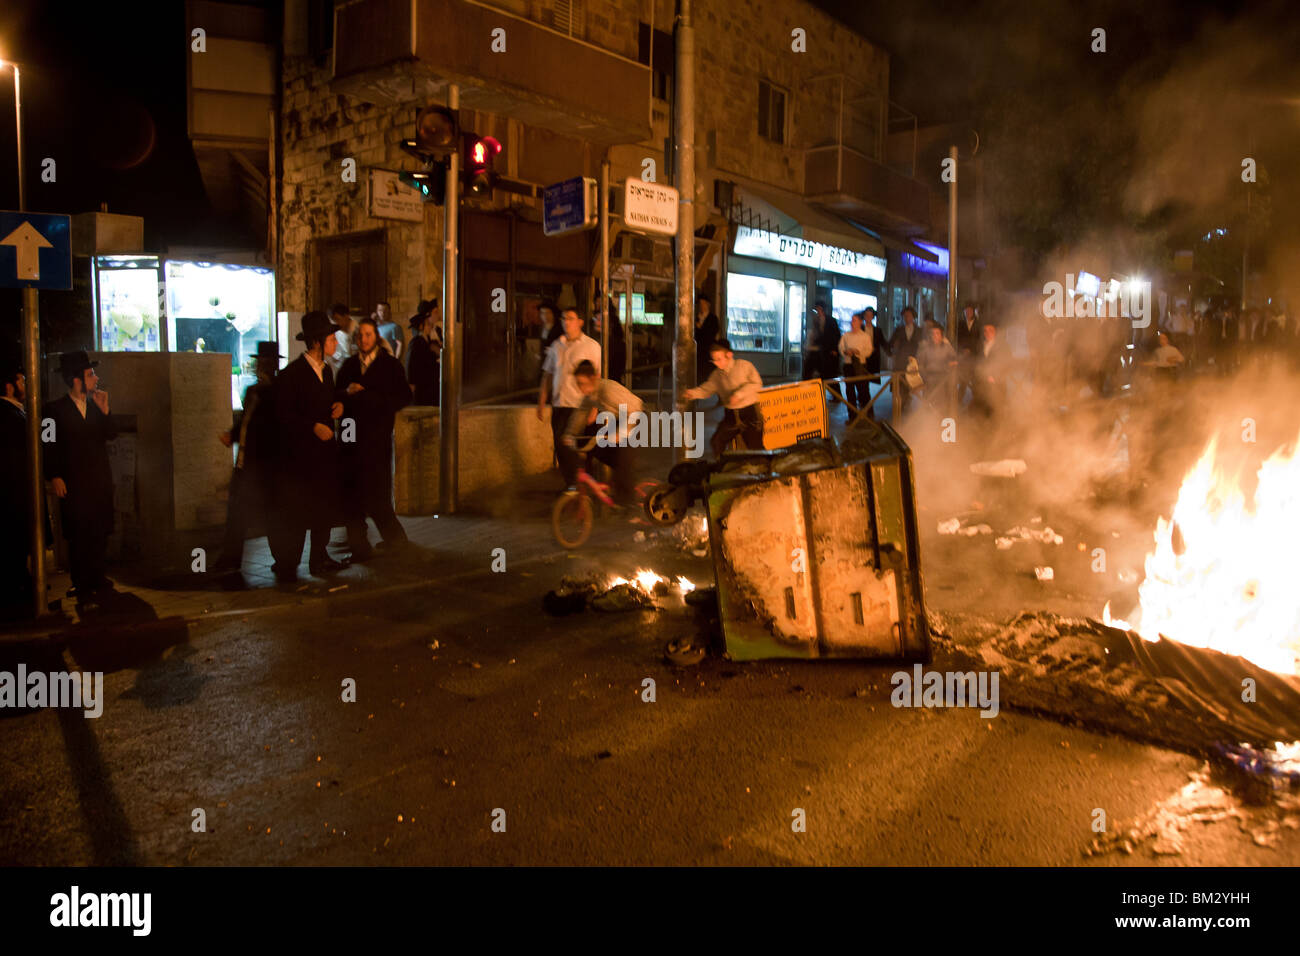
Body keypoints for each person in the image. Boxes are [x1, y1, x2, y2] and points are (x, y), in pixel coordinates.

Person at [271, 311, 346, 583]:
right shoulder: (292, 375)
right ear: (317, 342)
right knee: (299, 510)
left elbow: (329, 401)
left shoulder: (327, 372)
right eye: (331, 338)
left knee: (323, 508)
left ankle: (319, 557)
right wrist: (312, 426)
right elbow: (284, 415)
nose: (335, 343)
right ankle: (288, 561)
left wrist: (339, 406)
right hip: (301, 458)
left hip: (324, 457)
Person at [337, 316, 412, 560]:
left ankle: (396, 539)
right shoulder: (349, 366)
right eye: (360, 336)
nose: (364, 340)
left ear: (376, 337)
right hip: (351, 439)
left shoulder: (389, 365)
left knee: (376, 493)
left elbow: (402, 397)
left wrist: (372, 398)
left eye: (368, 335)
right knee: (352, 494)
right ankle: (359, 546)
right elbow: (337, 399)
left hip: (377, 438)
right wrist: (347, 394)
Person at [43, 351, 116, 601]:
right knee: (78, 533)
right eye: (90, 374)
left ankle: (98, 576)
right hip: (74, 482)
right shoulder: (52, 410)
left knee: (99, 530)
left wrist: (105, 411)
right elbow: (48, 444)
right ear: (76, 380)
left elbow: (110, 435)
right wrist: (54, 475)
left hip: (98, 480)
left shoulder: (96, 405)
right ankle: (80, 580)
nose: (95, 378)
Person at [216, 341, 281, 571]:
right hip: (245, 463)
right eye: (258, 362)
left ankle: (283, 559)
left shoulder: (276, 392)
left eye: (263, 363)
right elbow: (246, 422)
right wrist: (232, 435)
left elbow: (269, 429)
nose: (258, 366)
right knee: (237, 512)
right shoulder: (252, 391)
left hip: (263, 465)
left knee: (272, 515)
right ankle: (230, 559)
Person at [561, 360, 642, 505]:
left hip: (637, 421)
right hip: (619, 421)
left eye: (582, 384)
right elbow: (579, 415)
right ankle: (607, 485)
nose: (580, 388)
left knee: (622, 462)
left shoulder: (608, 391)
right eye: (577, 384)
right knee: (590, 444)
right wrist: (569, 434)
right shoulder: (590, 395)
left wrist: (621, 433)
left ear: (593, 379)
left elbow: (636, 409)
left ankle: (630, 507)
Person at [538, 309, 601, 488]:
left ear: (580, 322)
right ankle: (571, 486)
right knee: (561, 447)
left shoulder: (591, 346)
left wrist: (594, 408)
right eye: (564, 318)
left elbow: (598, 379)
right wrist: (541, 401)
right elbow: (548, 375)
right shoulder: (557, 344)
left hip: (580, 406)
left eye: (571, 319)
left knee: (579, 448)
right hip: (559, 404)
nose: (566, 322)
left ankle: (584, 486)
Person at [684, 339, 764, 457]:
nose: (716, 363)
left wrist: (739, 395)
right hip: (731, 416)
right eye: (714, 360)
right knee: (716, 441)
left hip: (749, 413)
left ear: (729, 355)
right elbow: (707, 389)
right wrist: (693, 393)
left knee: (755, 448)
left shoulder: (744, 366)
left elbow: (757, 384)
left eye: (719, 359)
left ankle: (762, 470)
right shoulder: (717, 375)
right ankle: (723, 467)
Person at [1, 350, 32, 612]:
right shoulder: (11, 417)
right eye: (22, 382)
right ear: (10, 387)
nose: (25, 386)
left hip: (15, 493)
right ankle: (15, 594)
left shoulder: (16, 414)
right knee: (14, 544)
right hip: (14, 493)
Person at [916, 324, 959, 413]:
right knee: (928, 404)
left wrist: (951, 364)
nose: (935, 336)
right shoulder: (925, 348)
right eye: (933, 334)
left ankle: (942, 421)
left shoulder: (947, 347)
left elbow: (954, 359)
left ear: (941, 335)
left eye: (937, 333)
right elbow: (920, 363)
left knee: (943, 405)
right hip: (929, 379)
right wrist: (924, 377)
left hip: (943, 380)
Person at [406, 299, 441, 405]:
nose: (430, 326)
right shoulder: (416, 342)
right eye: (427, 324)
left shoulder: (428, 341)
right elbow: (411, 366)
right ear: (422, 326)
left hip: (431, 385)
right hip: (423, 387)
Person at [971, 323, 1011, 416]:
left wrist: (996, 377)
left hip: (997, 384)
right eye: (985, 331)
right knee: (982, 410)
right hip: (981, 383)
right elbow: (976, 362)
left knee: (996, 409)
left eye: (990, 330)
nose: (987, 333)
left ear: (996, 332)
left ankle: (997, 429)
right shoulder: (980, 346)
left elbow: (1007, 363)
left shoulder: (1003, 346)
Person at [838, 312, 875, 413]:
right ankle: (852, 415)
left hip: (860, 365)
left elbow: (869, 350)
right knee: (850, 391)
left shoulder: (865, 336)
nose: (852, 322)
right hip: (848, 365)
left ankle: (868, 413)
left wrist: (858, 352)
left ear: (860, 322)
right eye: (851, 320)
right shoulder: (846, 335)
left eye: (854, 320)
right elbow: (841, 348)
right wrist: (846, 351)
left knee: (863, 390)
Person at [889, 307, 922, 411]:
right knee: (899, 384)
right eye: (905, 316)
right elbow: (891, 344)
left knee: (911, 383)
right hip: (900, 361)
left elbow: (923, 346)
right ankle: (900, 406)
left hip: (913, 362)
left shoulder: (920, 331)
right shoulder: (898, 330)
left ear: (913, 317)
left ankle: (908, 402)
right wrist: (893, 351)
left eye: (909, 316)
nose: (907, 318)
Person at [693, 293, 720, 383]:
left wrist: (701, 328)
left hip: (708, 350)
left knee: (707, 373)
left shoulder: (713, 318)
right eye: (699, 304)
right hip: (698, 350)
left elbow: (712, 333)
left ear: (707, 304)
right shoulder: (696, 318)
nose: (701, 306)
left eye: (703, 304)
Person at [328, 303, 356, 375]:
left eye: (337, 319)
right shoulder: (335, 332)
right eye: (333, 320)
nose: (335, 323)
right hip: (340, 371)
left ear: (346, 316)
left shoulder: (358, 330)